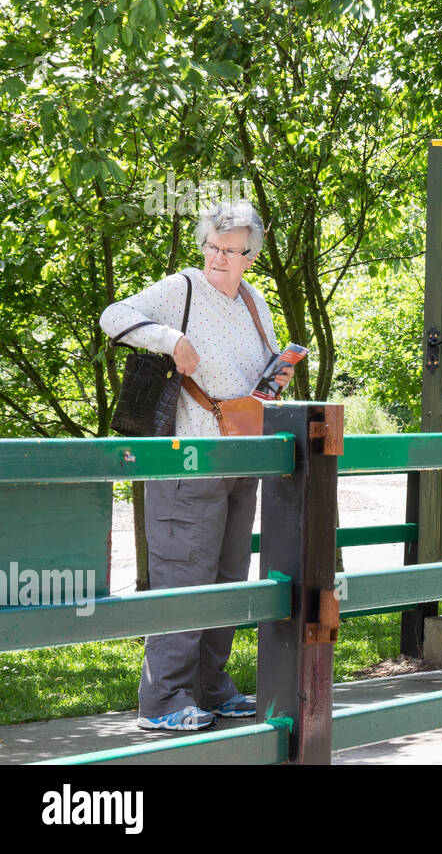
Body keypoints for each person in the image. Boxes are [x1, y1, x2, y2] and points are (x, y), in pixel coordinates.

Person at [100, 200, 292, 732]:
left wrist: (276, 379)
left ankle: (210, 687)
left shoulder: (255, 302)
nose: (219, 258)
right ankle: (164, 699)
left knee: (227, 578)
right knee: (183, 576)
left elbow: (263, 371)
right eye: (212, 246)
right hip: (188, 460)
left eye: (231, 251)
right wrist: (170, 339)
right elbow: (113, 318)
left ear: (250, 256)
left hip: (240, 456)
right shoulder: (181, 287)